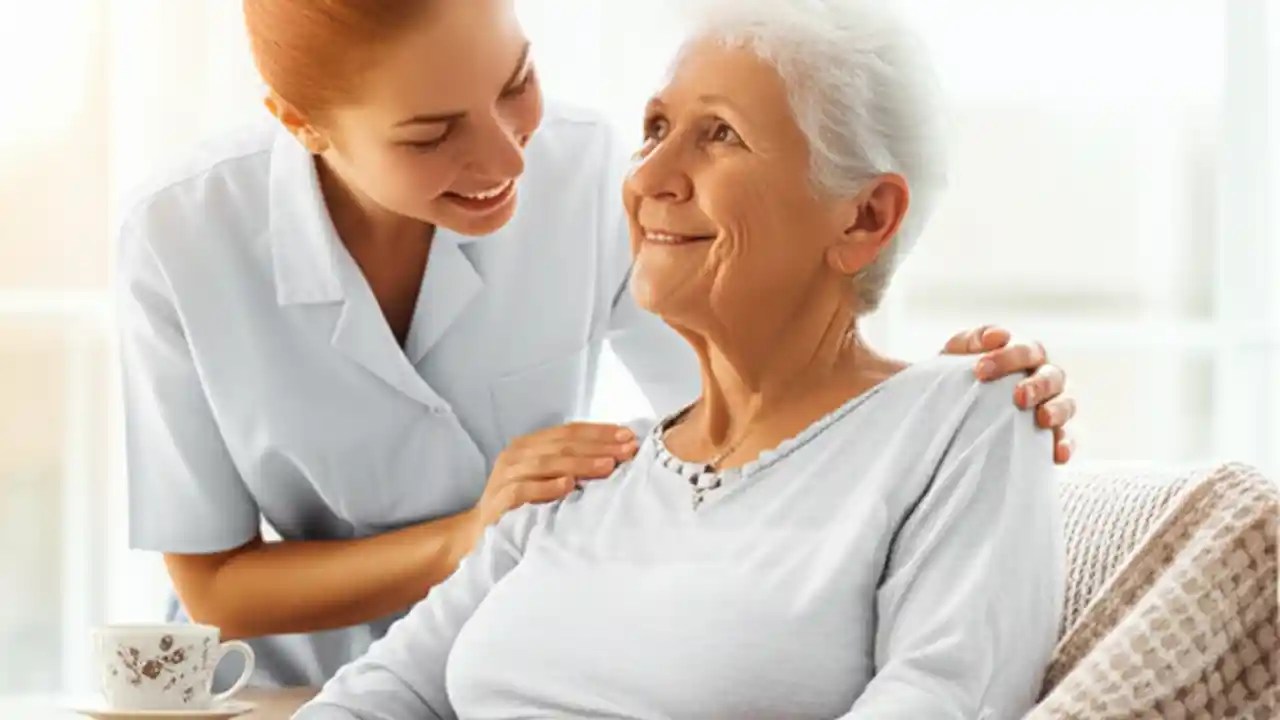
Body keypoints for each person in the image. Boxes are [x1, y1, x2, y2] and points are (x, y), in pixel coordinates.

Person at [117, 0, 1076, 689]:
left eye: (517, 83)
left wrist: (934, 404)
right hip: (271, 679)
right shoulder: (186, 232)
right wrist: (472, 532)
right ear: (303, 127)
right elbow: (220, 588)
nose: (507, 159)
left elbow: (764, 403)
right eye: (432, 135)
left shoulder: (578, 171)